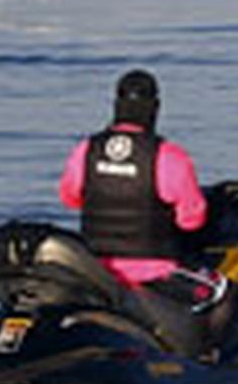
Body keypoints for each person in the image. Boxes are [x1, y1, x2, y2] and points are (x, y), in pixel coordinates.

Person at [58, 69, 208, 290]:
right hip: (155, 273)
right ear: (155, 107)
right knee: (223, 296)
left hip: (97, 270)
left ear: (116, 104)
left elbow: (70, 199)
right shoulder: (169, 155)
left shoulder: (86, 150)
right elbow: (191, 220)